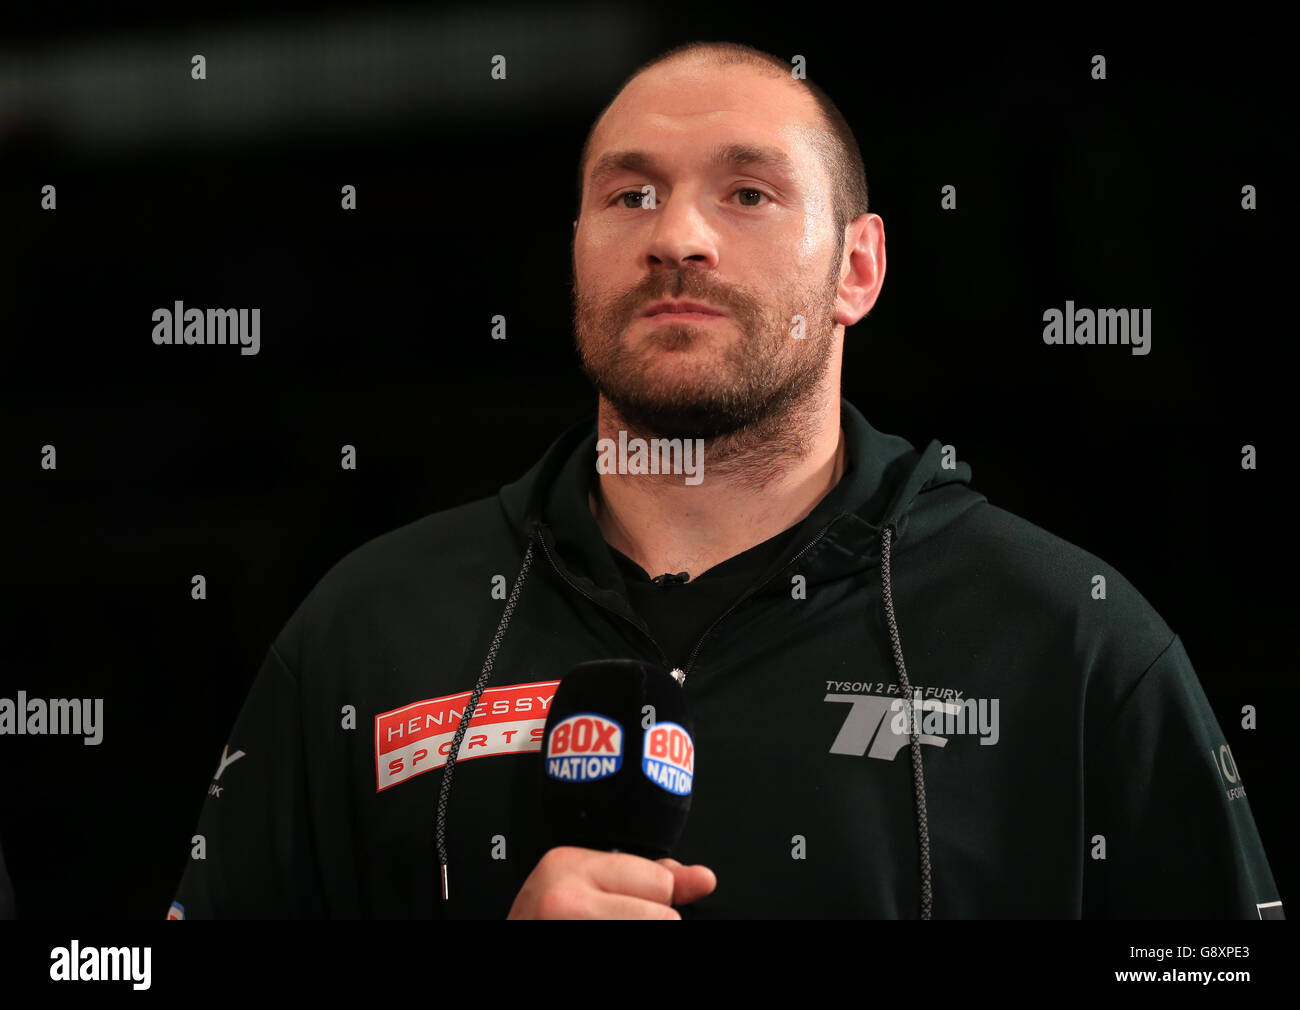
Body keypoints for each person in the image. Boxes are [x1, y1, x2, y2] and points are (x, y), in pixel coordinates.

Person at [169, 41, 1281, 920]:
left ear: (857, 267)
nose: (678, 236)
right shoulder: (368, 627)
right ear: (576, 251)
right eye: (629, 196)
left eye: (747, 193)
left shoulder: (1070, 641)